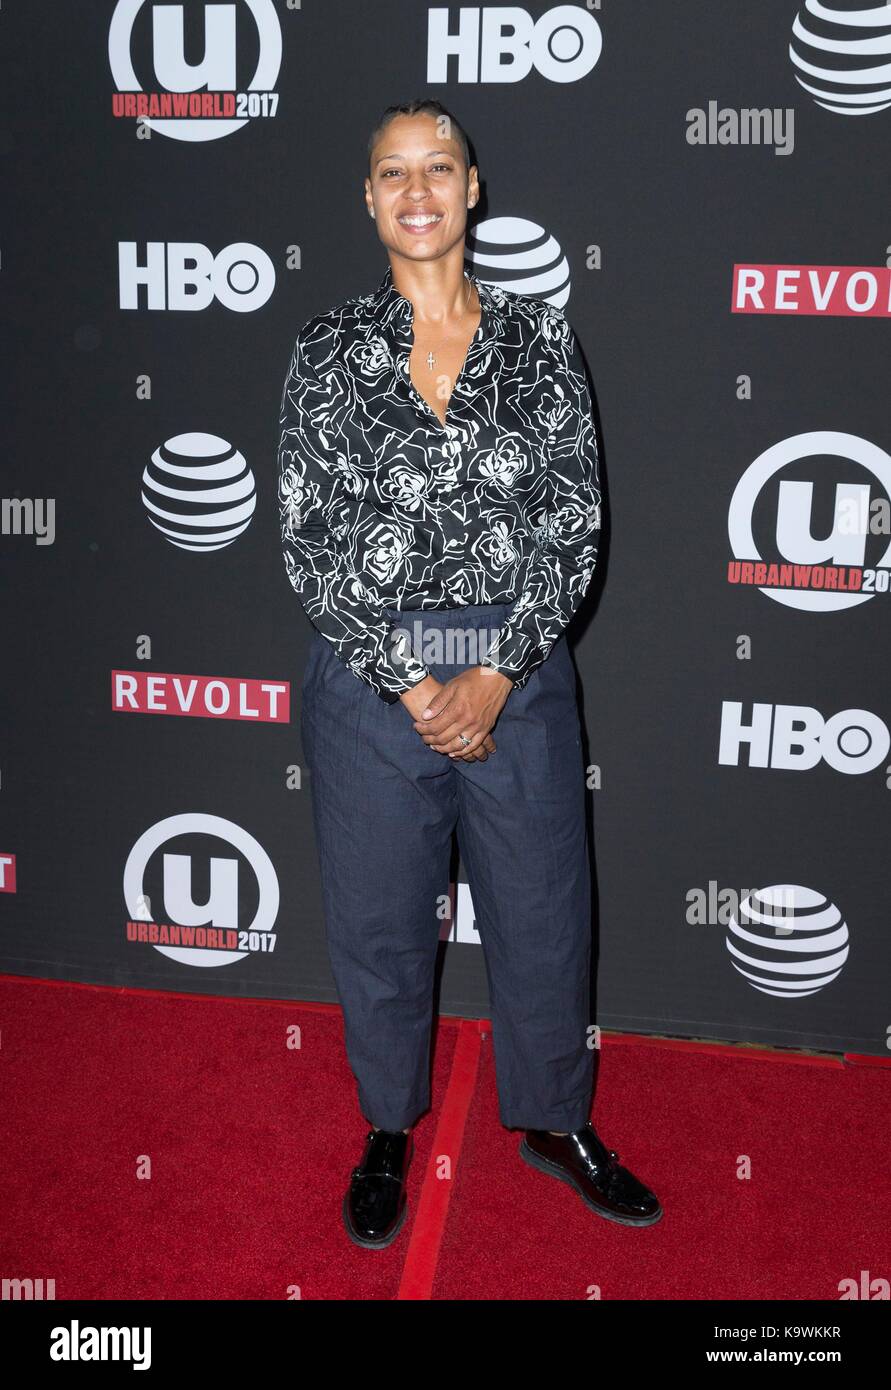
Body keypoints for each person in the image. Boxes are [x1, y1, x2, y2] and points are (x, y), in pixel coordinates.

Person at [277, 97, 662, 1249]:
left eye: (437, 166)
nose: (416, 190)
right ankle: (388, 1127)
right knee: (382, 921)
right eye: (392, 172)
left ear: (472, 186)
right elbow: (312, 537)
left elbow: (573, 523)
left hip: (519, 671)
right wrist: (413, 680)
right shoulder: (328, 348)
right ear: (369, 199)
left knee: (545, 913)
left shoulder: (541, 340)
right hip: (369, 682)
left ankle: (553, 1118)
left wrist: (495, 672)